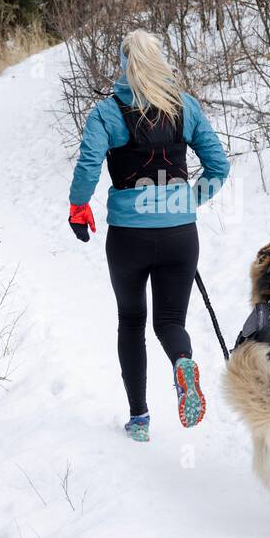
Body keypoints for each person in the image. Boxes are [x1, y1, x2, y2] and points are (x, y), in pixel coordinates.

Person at [68, 30, 231, 442]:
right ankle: (182, 363)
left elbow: (88, 165)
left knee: (131, 320)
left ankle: (139, 418)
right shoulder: (184, 107)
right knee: (170, 321)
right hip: (180, 234)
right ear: (160, 60)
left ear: (124, 64)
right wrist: (190, 200)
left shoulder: (107, 113)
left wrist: (78, 207)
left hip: (129, 237)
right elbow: (219, 166)